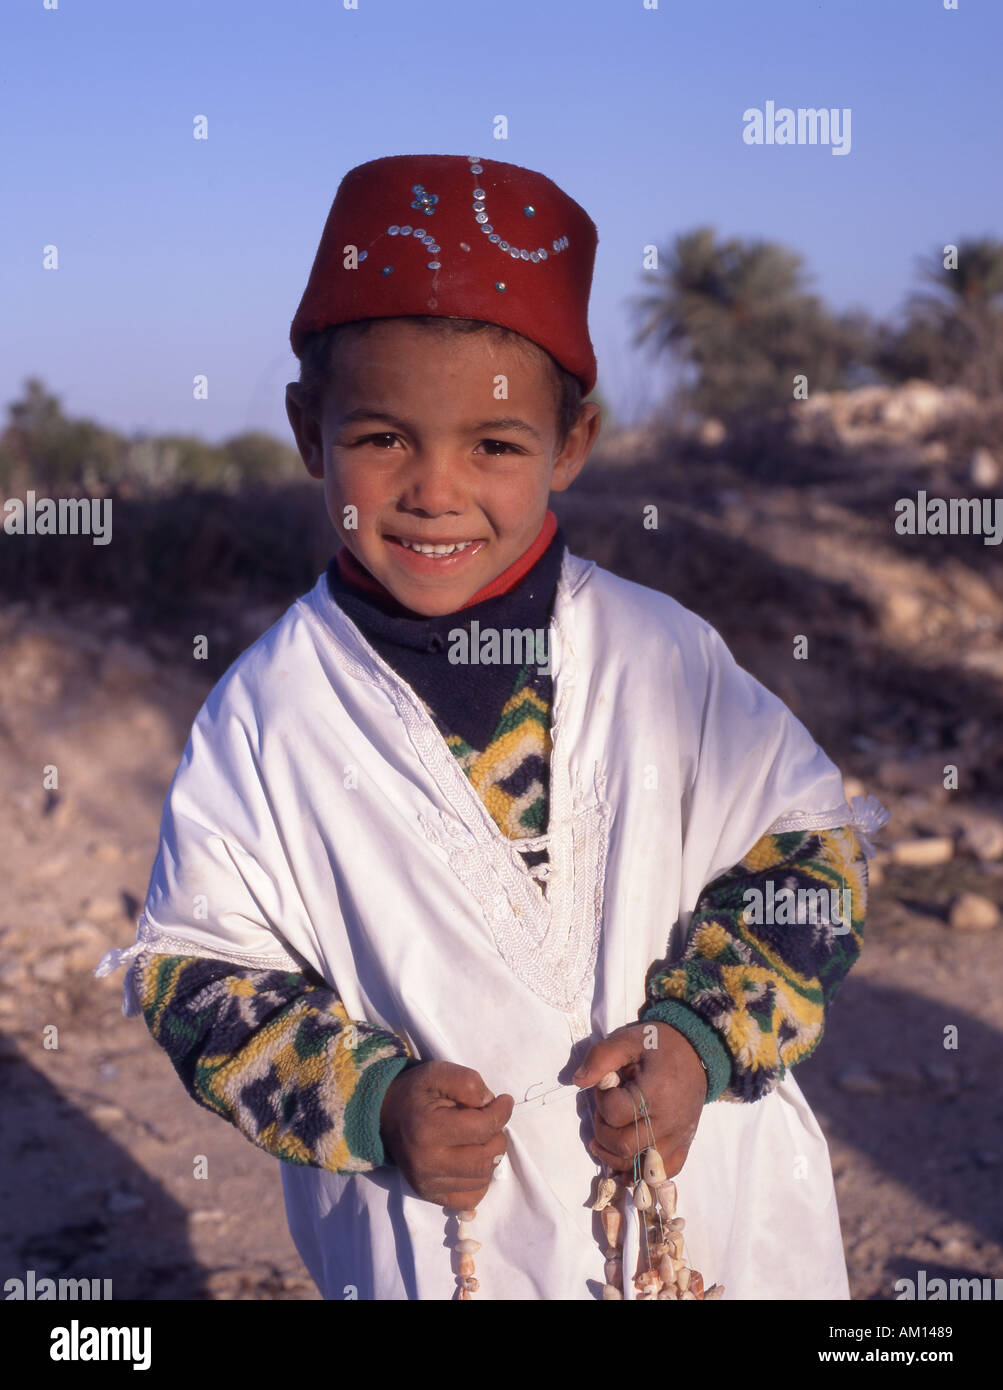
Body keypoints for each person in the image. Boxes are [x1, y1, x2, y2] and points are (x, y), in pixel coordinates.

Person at [97, 153, 887, 1301]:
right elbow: (197, 973)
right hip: (443, 1250)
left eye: (495, 445)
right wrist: (368, 1102)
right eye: (382, 439)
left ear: (571, 444)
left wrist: (702, 1041)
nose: (433, 487)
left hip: (714, 1228)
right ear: (308, 430)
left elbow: (814, 856)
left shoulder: (661, 654)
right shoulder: (267, 715)